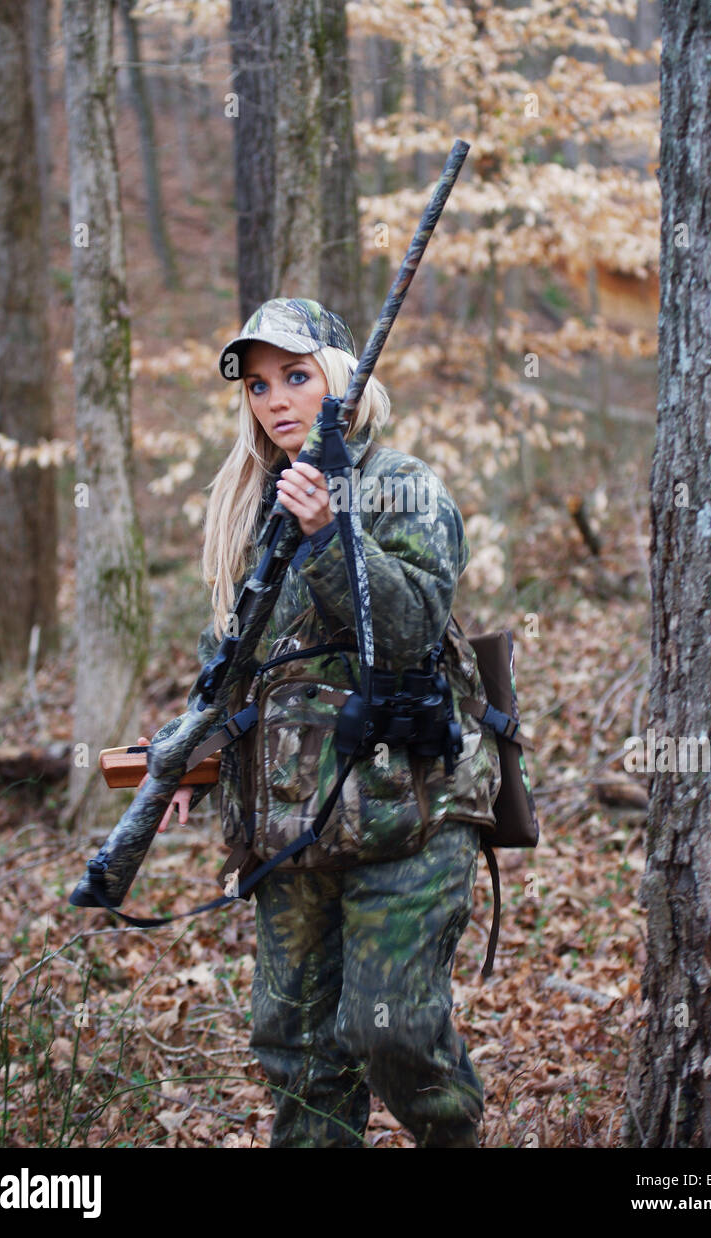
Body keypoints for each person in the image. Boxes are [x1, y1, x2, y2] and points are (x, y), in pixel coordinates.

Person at [146, 297, 500, 1148]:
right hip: (289, 826)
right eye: (260, 385)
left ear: (342, 380)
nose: (276, 400)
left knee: (396, 1034)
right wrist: (182, 764)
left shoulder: (400, 484)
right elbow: (228, 660)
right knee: (299, 1054)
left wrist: (329, 532)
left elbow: (412, 627)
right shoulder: (248, 501)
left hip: (408, 810)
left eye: (296, 376)